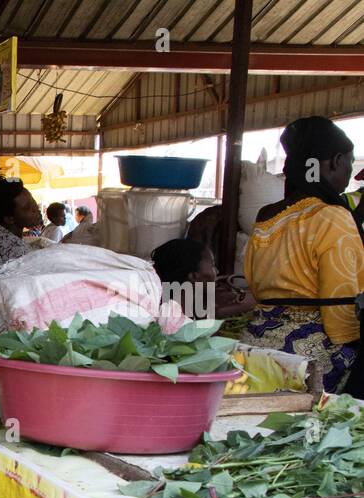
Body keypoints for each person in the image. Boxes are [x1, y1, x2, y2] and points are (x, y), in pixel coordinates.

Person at [241, 116, 364, 394]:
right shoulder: (331, 216)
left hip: (255, 340)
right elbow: (341, 310)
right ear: (335, 161)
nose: (348, 173)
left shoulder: (265, 216)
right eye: (349, 162)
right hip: (311, 354)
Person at [151, 237, 255, 320]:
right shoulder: (173, 316)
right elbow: (212, 314)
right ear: (193, 276)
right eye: (213, 265)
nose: (217, 271)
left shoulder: (168, 300)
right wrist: (248, 304)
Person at [0, 179, 44, 277]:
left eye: (33, 200)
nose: (36, 208)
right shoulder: (20, 254)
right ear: (10, 219)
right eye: (27, 207)